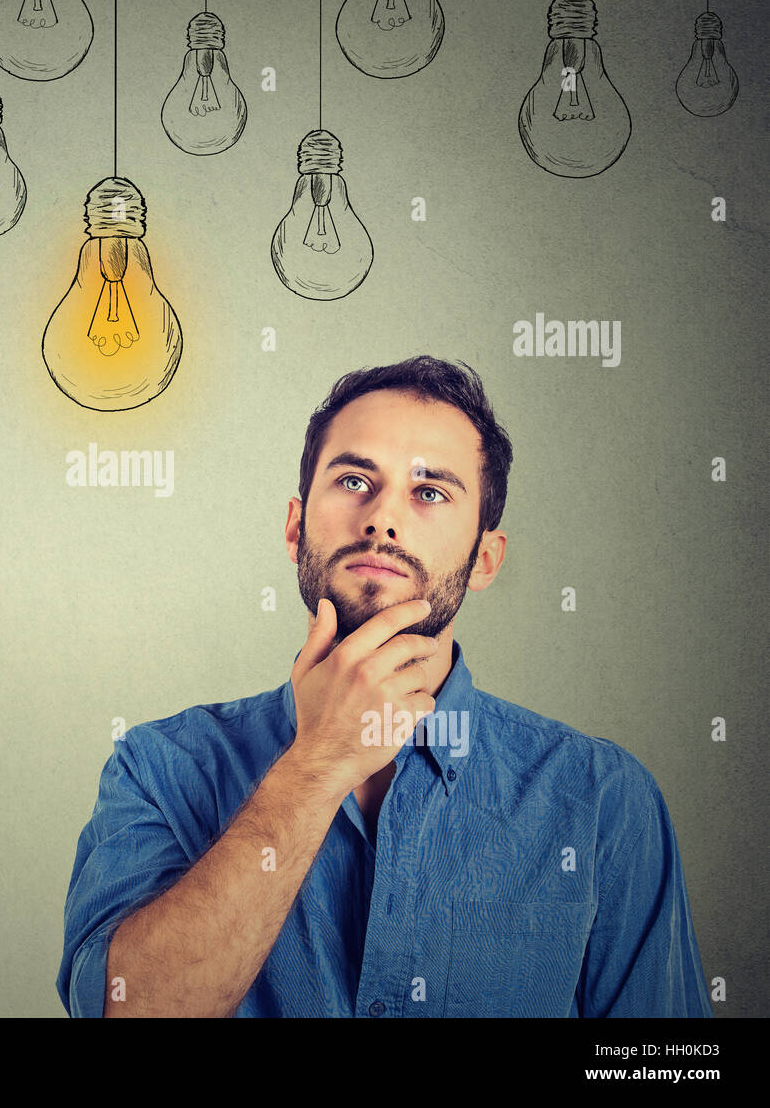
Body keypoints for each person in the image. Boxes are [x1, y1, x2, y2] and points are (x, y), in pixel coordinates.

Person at [56, 355, 711, 1018]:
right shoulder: (160, 768)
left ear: (484, 559)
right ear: (295, 527)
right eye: (354, 480)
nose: (382, 520)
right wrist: (316, 766)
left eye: (430, 493)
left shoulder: (601, 799)